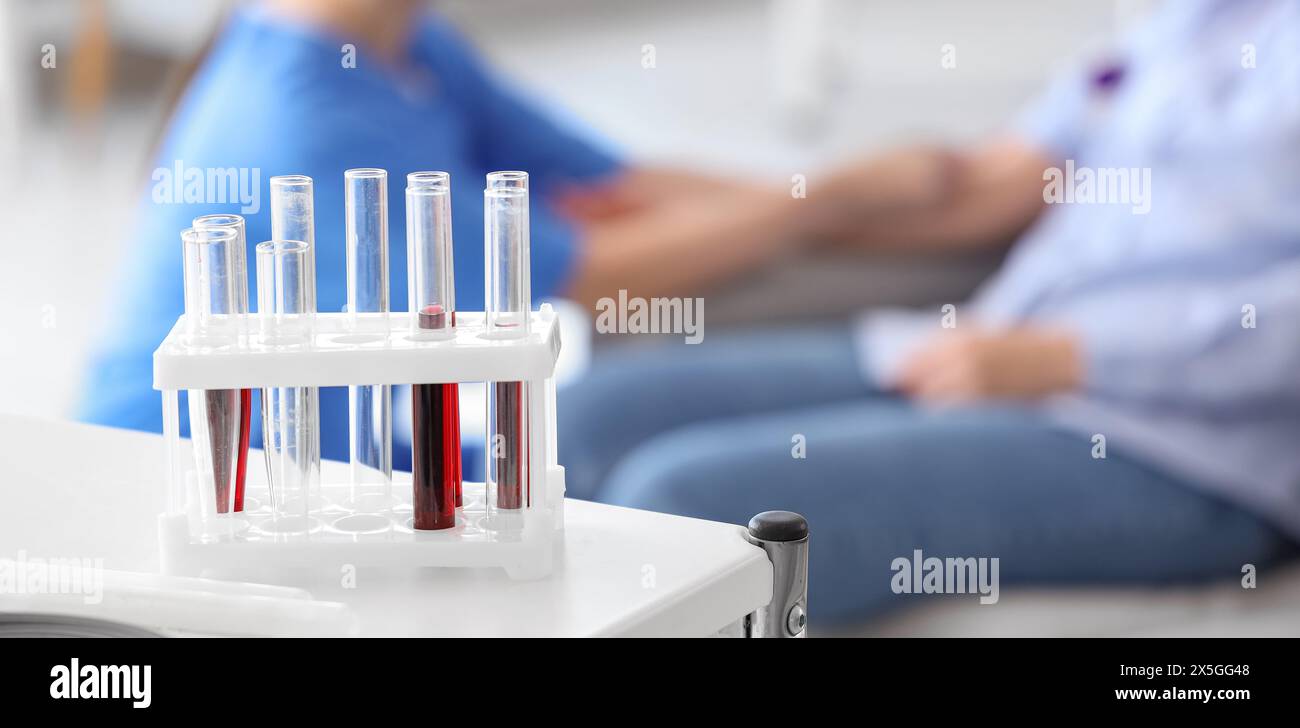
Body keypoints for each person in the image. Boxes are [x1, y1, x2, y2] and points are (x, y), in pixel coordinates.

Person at [559, 0, 1300, 623]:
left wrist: (1070, 356)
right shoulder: (1190, 18)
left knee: (679, 505)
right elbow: (994, 184)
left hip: (1178, 446)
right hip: (985, 338)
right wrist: (739, 210)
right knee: (581, 420)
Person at [77, 0, 802, 462]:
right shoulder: (304, 116)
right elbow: (592, 272)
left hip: (339, 463)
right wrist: (831, 205)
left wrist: (857, 203)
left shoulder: (407, 41)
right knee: (602, 456)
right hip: (210, 488)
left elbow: (614, 186)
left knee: (595, 437)